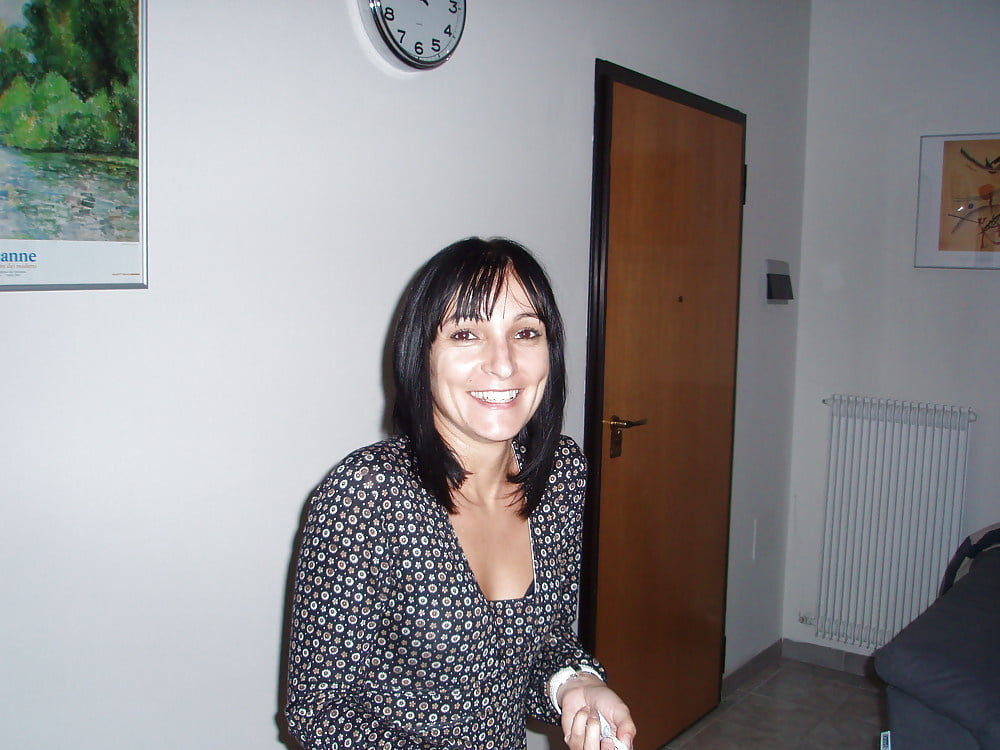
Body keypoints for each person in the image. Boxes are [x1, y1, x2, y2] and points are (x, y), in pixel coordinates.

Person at [285, 237, 635, 749]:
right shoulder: (366, 497)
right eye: (467, 333)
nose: (503, 363)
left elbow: (546, 641)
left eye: (525, 332)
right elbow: (320, 712)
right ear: (422, 354)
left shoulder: (560, 474)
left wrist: (576, 685)